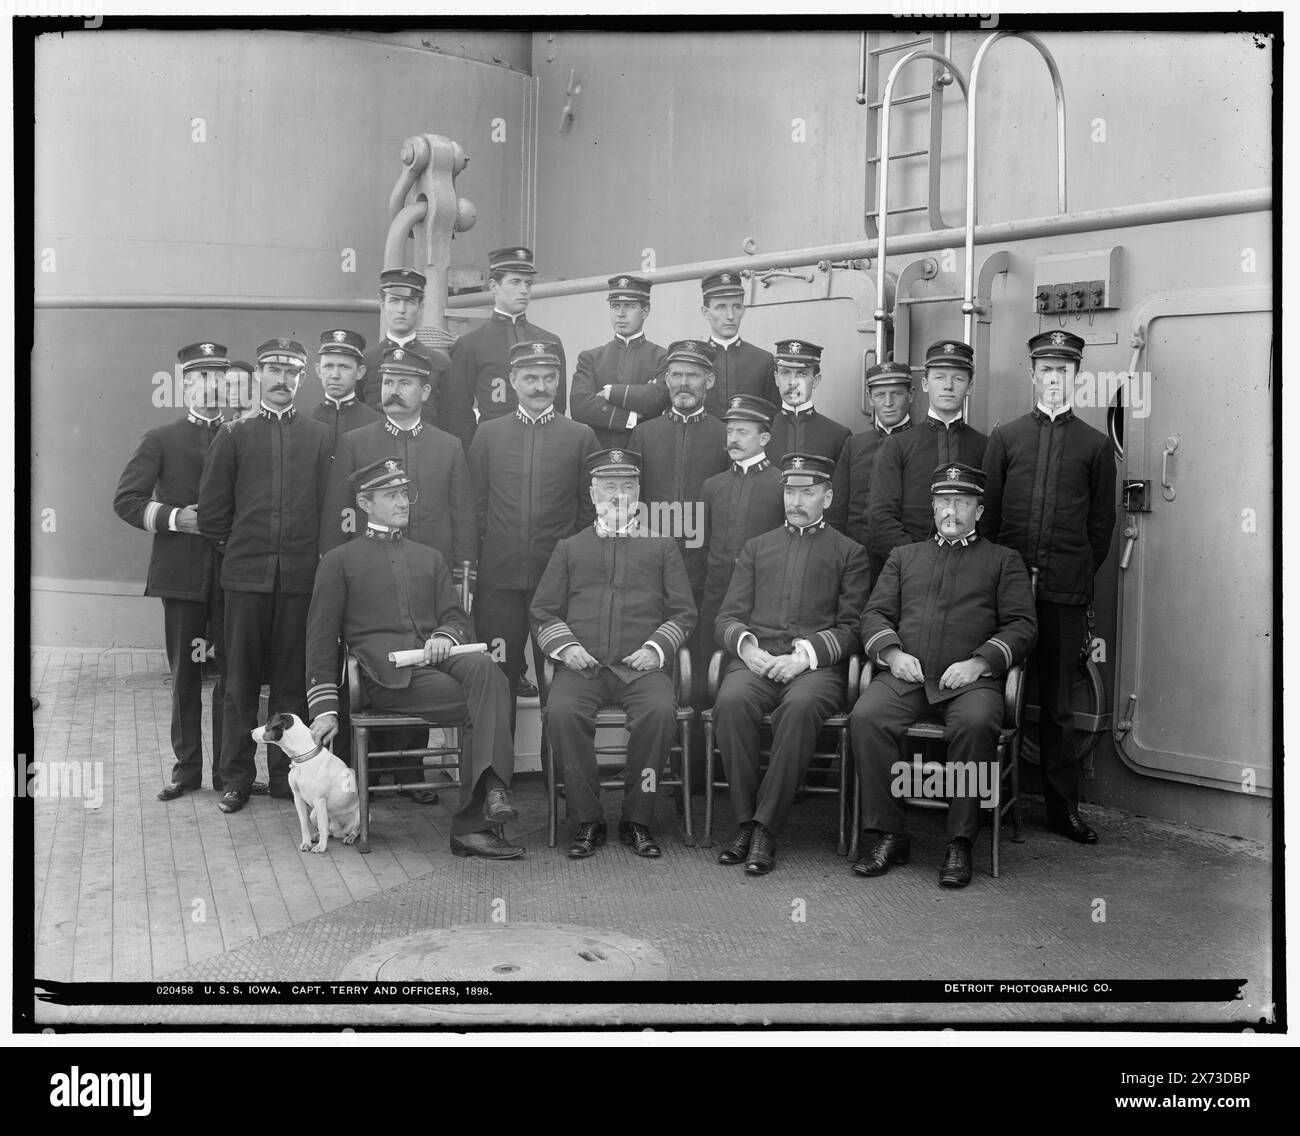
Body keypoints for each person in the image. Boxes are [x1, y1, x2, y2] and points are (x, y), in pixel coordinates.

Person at [305, 458, 522, 859]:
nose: (403, 502)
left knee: (488, 670)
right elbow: (319, 637)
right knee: (488, 701)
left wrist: (444, 634)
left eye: (405, 493)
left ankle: (488, 797)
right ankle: (482, 809)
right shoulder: (340, 561)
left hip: (439, 661)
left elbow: (456, 617)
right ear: (365, 503)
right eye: (391, 495)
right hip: (386, 676)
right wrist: (325, 708)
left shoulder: (430, 557)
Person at [851, 463, 1036, 888]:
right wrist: (893, 654)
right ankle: (888, 834)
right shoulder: (904, 556)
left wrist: (979, 662)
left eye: (962, 502)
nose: (951, 511)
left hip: (972, 681)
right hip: (908, 676)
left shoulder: (1003, 560)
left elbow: (1022, 625)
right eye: (943, 502)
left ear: (979, 509)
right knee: (867, 717)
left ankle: (959, 841)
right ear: (932, 507)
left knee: (974, 725)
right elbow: (874, 614)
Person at [980, 329, 1118, 845]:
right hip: (1007, 596)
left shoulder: (1096, 445)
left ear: (1075, 377)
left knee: (1058, 705)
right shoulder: (1007, 438)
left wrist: (1074, 576)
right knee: (991, 696)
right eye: (1046, 369)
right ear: (1032, 374)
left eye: (1064, 370)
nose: (1054, 379)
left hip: (1062, 596)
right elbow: (988, 518)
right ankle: (983, 799)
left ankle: (1063, 811)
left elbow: (1099, 529)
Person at [531, 449, 696, 860]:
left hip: (640, 670)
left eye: (626, 486)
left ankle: (637, 818)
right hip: (582, 669)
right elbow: (542, 610)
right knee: (561, 713)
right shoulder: (569, 548)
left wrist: (656, 649)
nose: (617, 495)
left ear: (639, 492)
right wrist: (566, 649)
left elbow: (684, 611)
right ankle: (588, 819)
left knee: (659, 714)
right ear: (592, 492)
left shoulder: (662, 546)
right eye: (609, 487)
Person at [712, 453, 871, 874]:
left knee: (798, 709)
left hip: (815, 670)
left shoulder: (849, 552)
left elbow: (854, 628)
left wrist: (804, 658)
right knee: (730, 703)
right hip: (758, 663)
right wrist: (748, 650)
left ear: (828, 496)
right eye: (790, 490)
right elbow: (727, 618)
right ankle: (745, 821)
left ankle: (766, 828)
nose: (796, 500)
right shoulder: (757, 548)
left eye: (808, 491)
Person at [198, 337, 332, 813]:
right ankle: (235, 778)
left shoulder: (318, 436)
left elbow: (325, 507)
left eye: (292, 372)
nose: (282, 380)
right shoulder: (233, 435)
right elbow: (213, 515)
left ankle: (285, 776)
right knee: (239, 682)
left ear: (302, 378)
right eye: (273, 370)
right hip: (246, 581)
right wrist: (243, 554)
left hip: (298, 581)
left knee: (291, 682)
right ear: (258, 376)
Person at [114, 341, 230, 800]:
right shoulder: (161, 438)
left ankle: (229, 776)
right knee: (185, 675)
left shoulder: (240, 435)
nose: (210, 387)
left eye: (219, 378)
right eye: (201, 378)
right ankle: (187, 771)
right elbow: (126, 500)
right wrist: (175, 518)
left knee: (230, 677)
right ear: (186, 385)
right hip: (180, 577)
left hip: (231, 576)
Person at [468, 340, 599, 730]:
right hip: (499, 584)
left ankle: (555, 782)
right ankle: (497, 784)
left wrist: (566, 562)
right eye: (530, 378)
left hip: (557, 587)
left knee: (558, 683)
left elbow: (588, 511)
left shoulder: (580, 436)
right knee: (498, 679)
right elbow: (476, 507)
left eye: (548, 378)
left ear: (559, 380)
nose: (540, 386)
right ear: (512, 380)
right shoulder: (488, 435)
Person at [867, 340, 988, 579]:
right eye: (939, 378)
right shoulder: (898, 445)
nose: (948, 386)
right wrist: (915, 561)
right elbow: (881, 517)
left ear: (970, 386)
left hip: (968, 574)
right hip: (909, 572)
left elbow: (990, 515)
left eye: (959, 379)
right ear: (924, 384)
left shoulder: (985, 446)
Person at [628, 338, 728, 604]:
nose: (684, 383)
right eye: (677, 374)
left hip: (704, 566)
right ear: (667, 379)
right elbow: (633, 501)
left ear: (709, 381)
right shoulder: (644, 434)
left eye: (693, 375)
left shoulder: (724, 435)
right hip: (651, 563)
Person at [444, 246, 567, 450]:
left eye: (528, 283)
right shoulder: (470, 344)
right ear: (494, 286)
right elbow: (458, 412)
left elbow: (559, 406)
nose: (524, 290)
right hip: (492, 448)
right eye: (515, 282)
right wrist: (473, 453)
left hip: (543, 446)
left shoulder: (549, 342)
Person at [698, 394, 785, 646]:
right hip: (715, 600)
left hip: (760, 603)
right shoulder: (713, 485)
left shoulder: (780, 484)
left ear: (764, 438)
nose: (733, 439)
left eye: (743, 432)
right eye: (730, 432)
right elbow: (699, 544)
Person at [568, 274, 669, 449]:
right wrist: (630, 416)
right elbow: (579, 406)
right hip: (600, 450)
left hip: (647, 451)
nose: (620, 314)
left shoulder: (662, 357)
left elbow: (658, 400)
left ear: (645, 311)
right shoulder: (591, 358)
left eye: (629, 306)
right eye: (615, 306)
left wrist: (609, 392)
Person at [826, 360, 915, 545]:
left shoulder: (920, 442)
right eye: (880, 395)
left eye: (897, 394)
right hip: (858, 555)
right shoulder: (854, 444)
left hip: (904, 555)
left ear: (911, 395)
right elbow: (837, 508)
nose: (888, 403)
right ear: (870, 398)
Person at [356, 268, 452, 423]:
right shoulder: (365, 362)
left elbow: (450, 421)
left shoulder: (440, 364)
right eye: (394, 301)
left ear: (420, 307)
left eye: (410, 302)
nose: (401, 310)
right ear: (383, 305)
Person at [698, 269, 780, 418]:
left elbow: (773, 416)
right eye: (721, 307)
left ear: (743, 310)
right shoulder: (697, 359)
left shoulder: (762, 360)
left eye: (736, 307)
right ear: (705, 312)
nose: (730, 316)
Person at [765, 339, 851, 464]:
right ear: (776, 378)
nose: (793, 382)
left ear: (816, 380)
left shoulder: (838, 435)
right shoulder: (761, 431)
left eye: (801, 374)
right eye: (785, 373)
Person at [309, 329, 380, 459]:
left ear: (360, 372)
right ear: (318, 370)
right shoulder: (307, 421)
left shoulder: (375, 423)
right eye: (328, 366)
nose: (335, 375)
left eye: (344, 367)